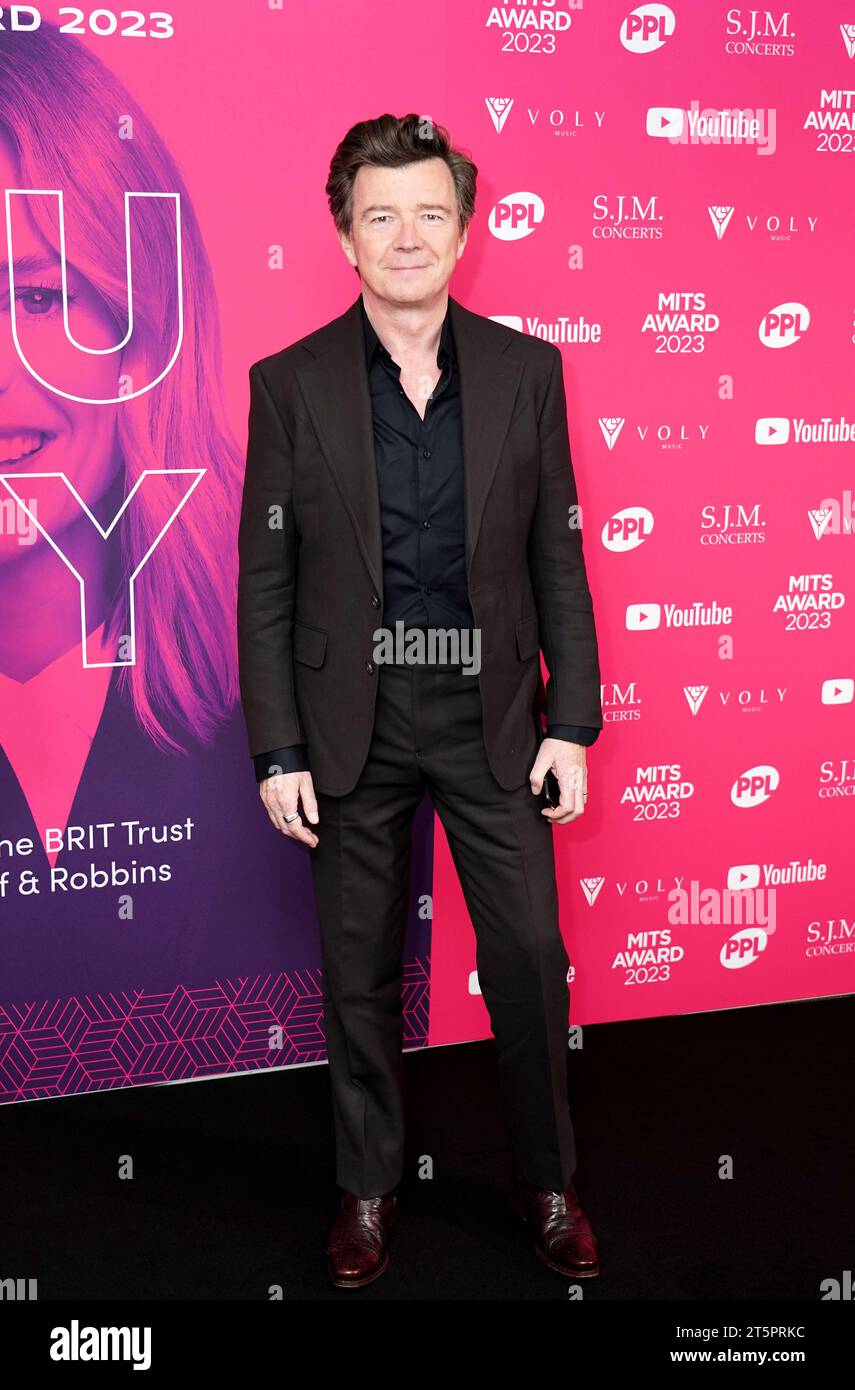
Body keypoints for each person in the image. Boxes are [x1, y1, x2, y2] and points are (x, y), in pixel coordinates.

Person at [237, 112, 604, 1289]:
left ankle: (546, 1180)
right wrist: (277, 743)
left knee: (533, 962)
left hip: (491, 718)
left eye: (429, 214)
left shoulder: (528, 371)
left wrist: (574, 721)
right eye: (381, 216)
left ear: (464, 230)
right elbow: (267, 581)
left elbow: (559, 555)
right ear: (345, 237)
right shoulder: (287, 384)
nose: (407, 237)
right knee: (358, 974)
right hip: (352, 724)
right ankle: (367, 1188)